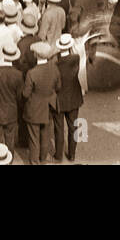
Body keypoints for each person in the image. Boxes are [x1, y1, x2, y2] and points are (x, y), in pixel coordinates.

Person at [20, 42, 59, 165]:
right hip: (49, 106)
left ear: (36, 55)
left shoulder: (32, 73)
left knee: (34, 137)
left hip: (34, 109)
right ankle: (43, 158)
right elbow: (58, 86)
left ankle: (34, 161)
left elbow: (26, 94)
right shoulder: (54, 68)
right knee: (45, 134)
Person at [51, 35, 84, 163]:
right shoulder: (76, 58)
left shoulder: (55, 64)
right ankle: (72, 154)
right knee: (73, 126)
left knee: (59, 128)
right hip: (74, 98)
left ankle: (58, 155)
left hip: (59, 100)